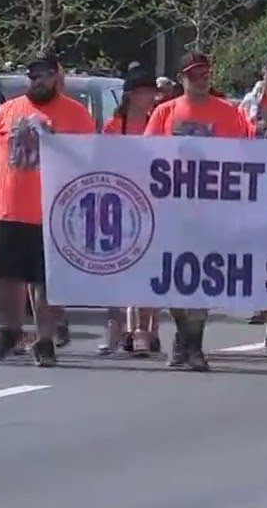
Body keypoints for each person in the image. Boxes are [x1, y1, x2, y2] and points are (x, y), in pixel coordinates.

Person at [0, 51, 96, 366]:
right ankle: (9, 330)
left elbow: (93, 159)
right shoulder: (8, 111)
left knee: (44, 281)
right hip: (6, 211)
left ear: (56, 77)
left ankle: (45, 340)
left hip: (53, 213)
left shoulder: (76, 115)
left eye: (45, 75)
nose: (37, 81)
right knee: (1, 274)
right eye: (32, 75)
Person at [145, 52, 253, 371]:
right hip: (172, 210)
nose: (202, 78)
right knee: (176, 281)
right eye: (195, 74)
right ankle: (183, 336)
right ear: (182, 79)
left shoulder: (227, 112)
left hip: (210, 210)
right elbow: (146, 155)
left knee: (202, 280)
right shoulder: (165, 112)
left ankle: (194, 346)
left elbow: (242, 156)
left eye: (206, 72)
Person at [100, 68, 162, 358]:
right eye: (146, 92)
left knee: (150, 267)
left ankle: (148, 328)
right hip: (122, 204)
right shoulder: (114, 126)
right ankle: (122, 327)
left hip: (154, 203)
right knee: (122, 268)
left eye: (153, 92)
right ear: (131, 96)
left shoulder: (157, 122)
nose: (151, 97)